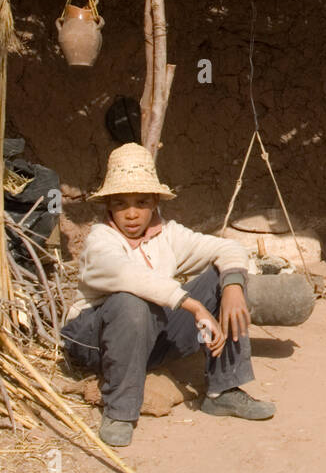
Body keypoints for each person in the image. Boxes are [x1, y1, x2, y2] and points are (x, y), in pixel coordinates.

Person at [60, 143, 274, 447]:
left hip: (149, 338)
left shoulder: (168, 234)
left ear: (155, 203)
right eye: (121, 204)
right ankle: (120, 411)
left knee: (223, 277)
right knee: (129, 301)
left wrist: (234, 287)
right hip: (95, 340)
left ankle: (223, 392)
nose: (132, 214)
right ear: (109, 206)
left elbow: (228, 247)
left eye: (141, 202)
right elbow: (127, 275)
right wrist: (194, 306)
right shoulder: (100, 240)